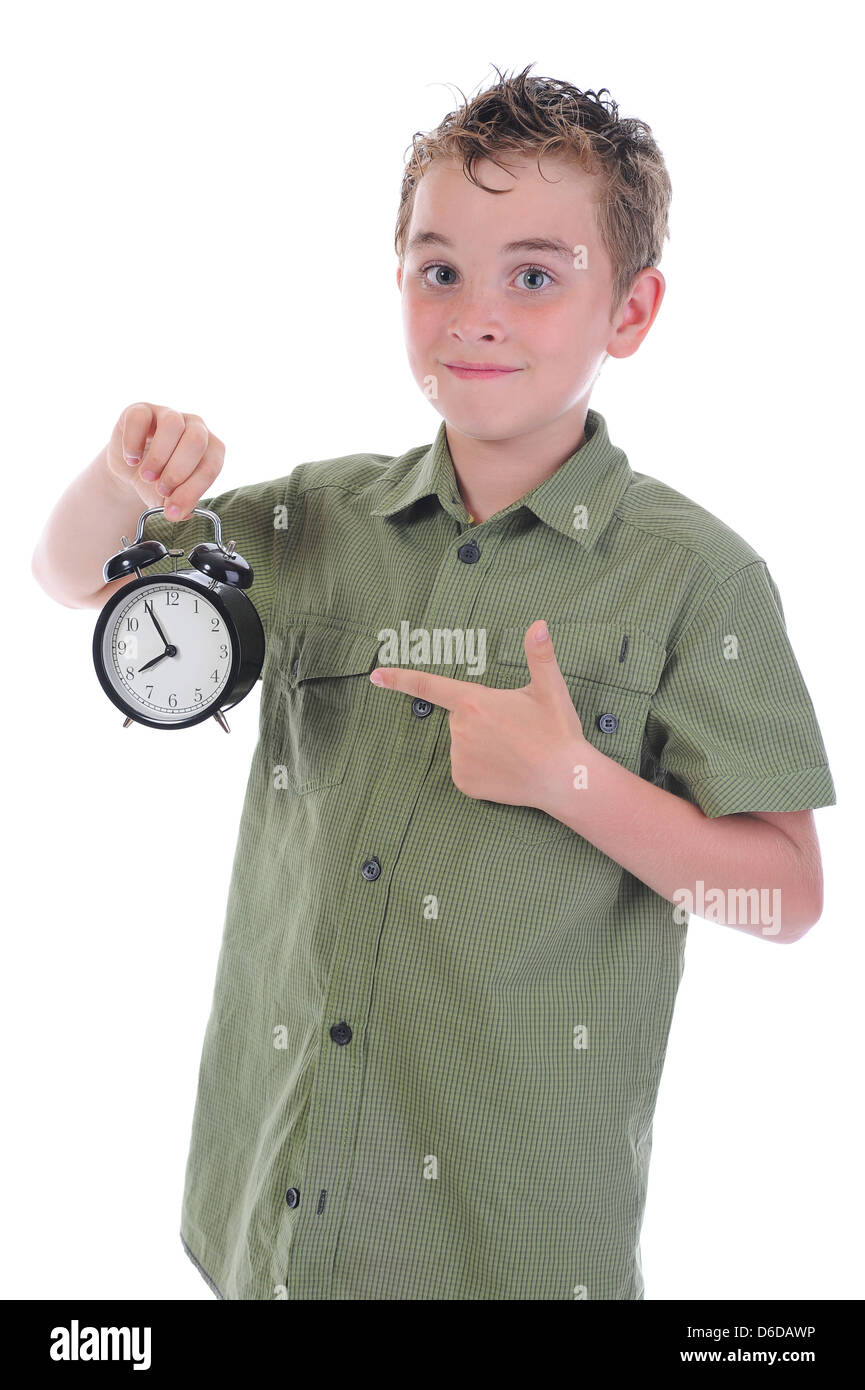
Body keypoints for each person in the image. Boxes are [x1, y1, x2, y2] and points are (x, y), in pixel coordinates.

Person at [32, 64, 835, 1300]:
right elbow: (77, 576)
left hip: (504, 1243)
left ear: (631, 309)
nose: (474, 314)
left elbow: (781, 903)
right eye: (437, 268)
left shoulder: (698, 579)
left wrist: (571, 779)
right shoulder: (311, 520)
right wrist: (120, 477)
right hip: (278, 1202)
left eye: (534, 273)